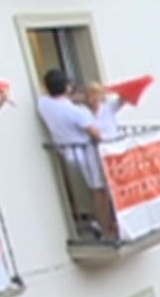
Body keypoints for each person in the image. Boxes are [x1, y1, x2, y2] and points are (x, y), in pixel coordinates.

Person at [37, 69, 116, 239]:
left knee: (96, 189)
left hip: (67, 152)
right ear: (68, 87)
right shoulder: (77, 112)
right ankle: (106, 229)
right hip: (87, 153)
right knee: (99, 191)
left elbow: (50, 95)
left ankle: (103, 225)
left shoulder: (43, 104)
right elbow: (96, 134)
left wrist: (79, 97)